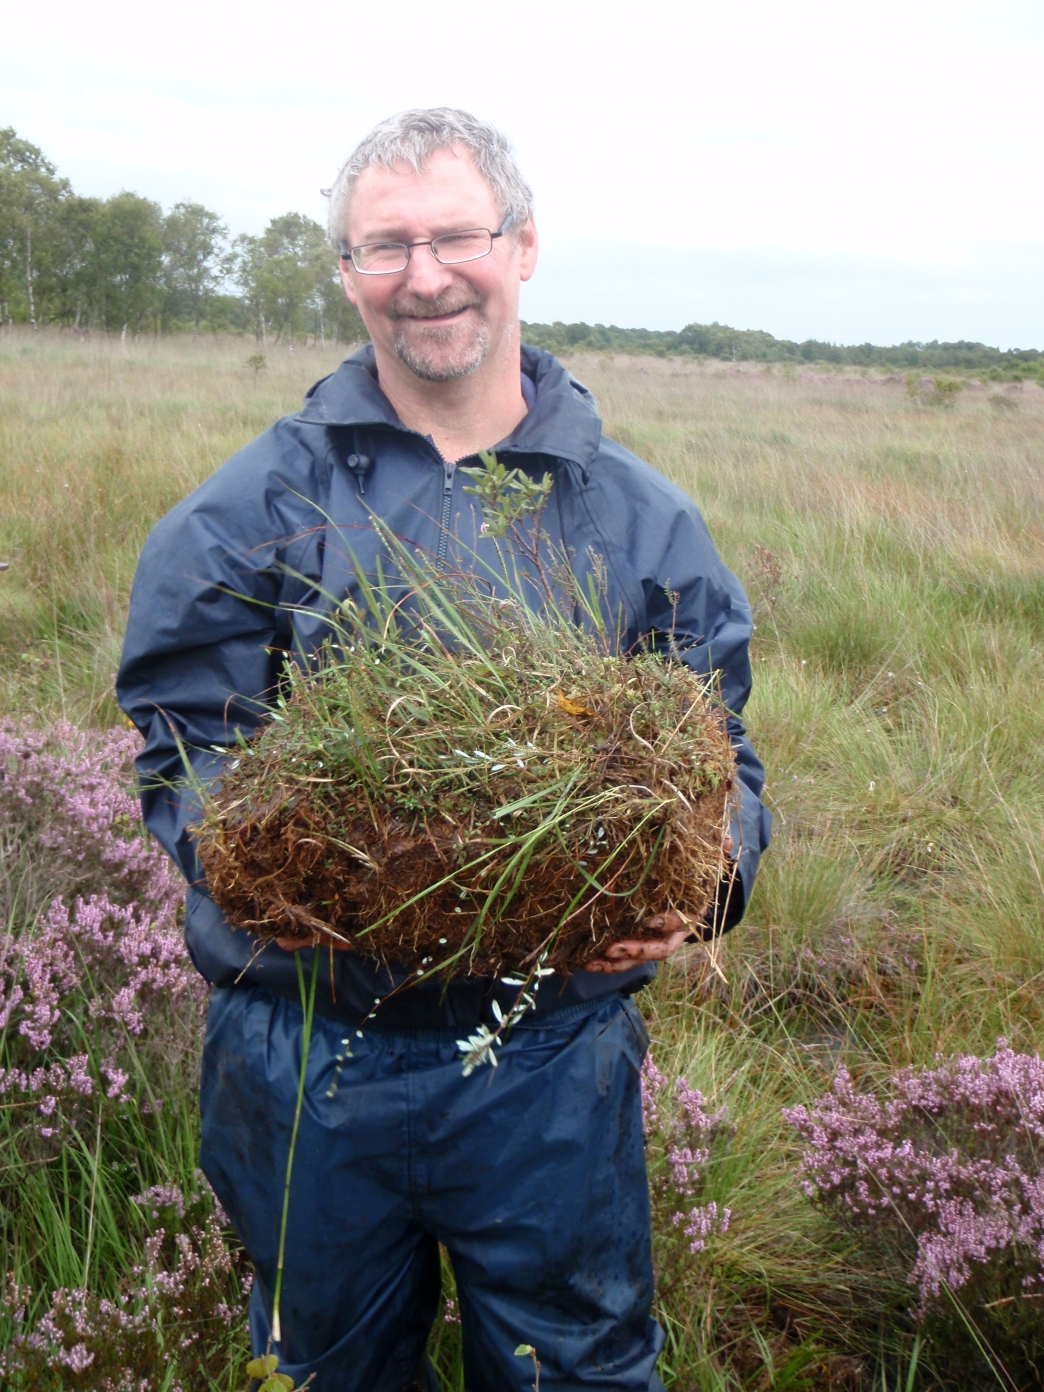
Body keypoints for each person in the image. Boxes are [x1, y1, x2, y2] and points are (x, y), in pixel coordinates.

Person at [117, 108, 770, 1392]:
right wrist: (258, 865)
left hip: (549, 1063)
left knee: (571, 1370)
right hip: (305, 1048)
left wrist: (704, 876)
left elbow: (719, 755)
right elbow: (185, 738)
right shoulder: (251, 507)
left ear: (522, 246)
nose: (423, 276)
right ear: (348, 273)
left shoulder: (637, 519)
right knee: (324, 1371)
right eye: (384, 247)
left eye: (454, 237)